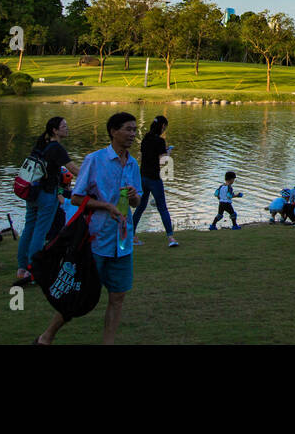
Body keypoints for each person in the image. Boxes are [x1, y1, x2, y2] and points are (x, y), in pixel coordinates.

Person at [37, 111, 141, 346]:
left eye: (135, 130)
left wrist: (134, 196)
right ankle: (47, 336)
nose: (133, 134)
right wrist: (106, 205)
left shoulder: (133, 164)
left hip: (122, 241)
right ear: (113, 131)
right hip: (96, 239)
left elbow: (136, 202)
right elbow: (76, 198)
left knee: (118, 296)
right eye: (128, 129)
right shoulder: (94, 160)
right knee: (79, 294)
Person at [15, 116, 78, 287]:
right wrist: (93, 179)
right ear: (55, 131)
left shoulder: (41, 145)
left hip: (32, 192)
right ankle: (34, 269)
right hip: (47, 194)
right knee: (40, 232)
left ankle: (22, 268)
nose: (67, 128)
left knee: (29, 228)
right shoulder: (56, 147)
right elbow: (73, 170)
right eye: (63, 126)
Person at [133, 116, 178, 248]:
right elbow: (162, 161)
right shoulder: (160, 141)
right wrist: (168, 152)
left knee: (140, 207)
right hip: (154, 178)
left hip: (143, 176)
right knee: (162, 207)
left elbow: (145, 156)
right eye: (165, 127)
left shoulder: (145, 138)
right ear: (162, 126)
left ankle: (131, 235)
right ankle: (170, 237)